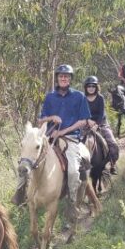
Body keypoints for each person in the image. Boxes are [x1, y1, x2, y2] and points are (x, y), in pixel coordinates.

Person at [33, 64, 92, 200]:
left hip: (70, 139)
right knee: (29, 160)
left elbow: (83, 121)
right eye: (61, 76)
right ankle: (24, 196)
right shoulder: (50, 97)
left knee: (72, 172)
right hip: (49, 138)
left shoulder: (79, 96)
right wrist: (52, 118)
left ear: (70, 79)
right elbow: (40, 121)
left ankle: (72, 201)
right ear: (57, 78)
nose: (64, 78)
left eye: (66, 76)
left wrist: (63, 131)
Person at [82, 76, 119, 175]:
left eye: (93, 86)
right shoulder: (83, 98)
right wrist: (88, 120)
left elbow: (101, 113)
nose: (91, 88)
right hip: (86, 123)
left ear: (96, 87)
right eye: (89, 86)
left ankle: (112, 164)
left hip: (101, 123)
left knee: (112, 143)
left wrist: (96, 124)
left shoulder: (100, 98)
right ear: (86, 87)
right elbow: (81, 112)